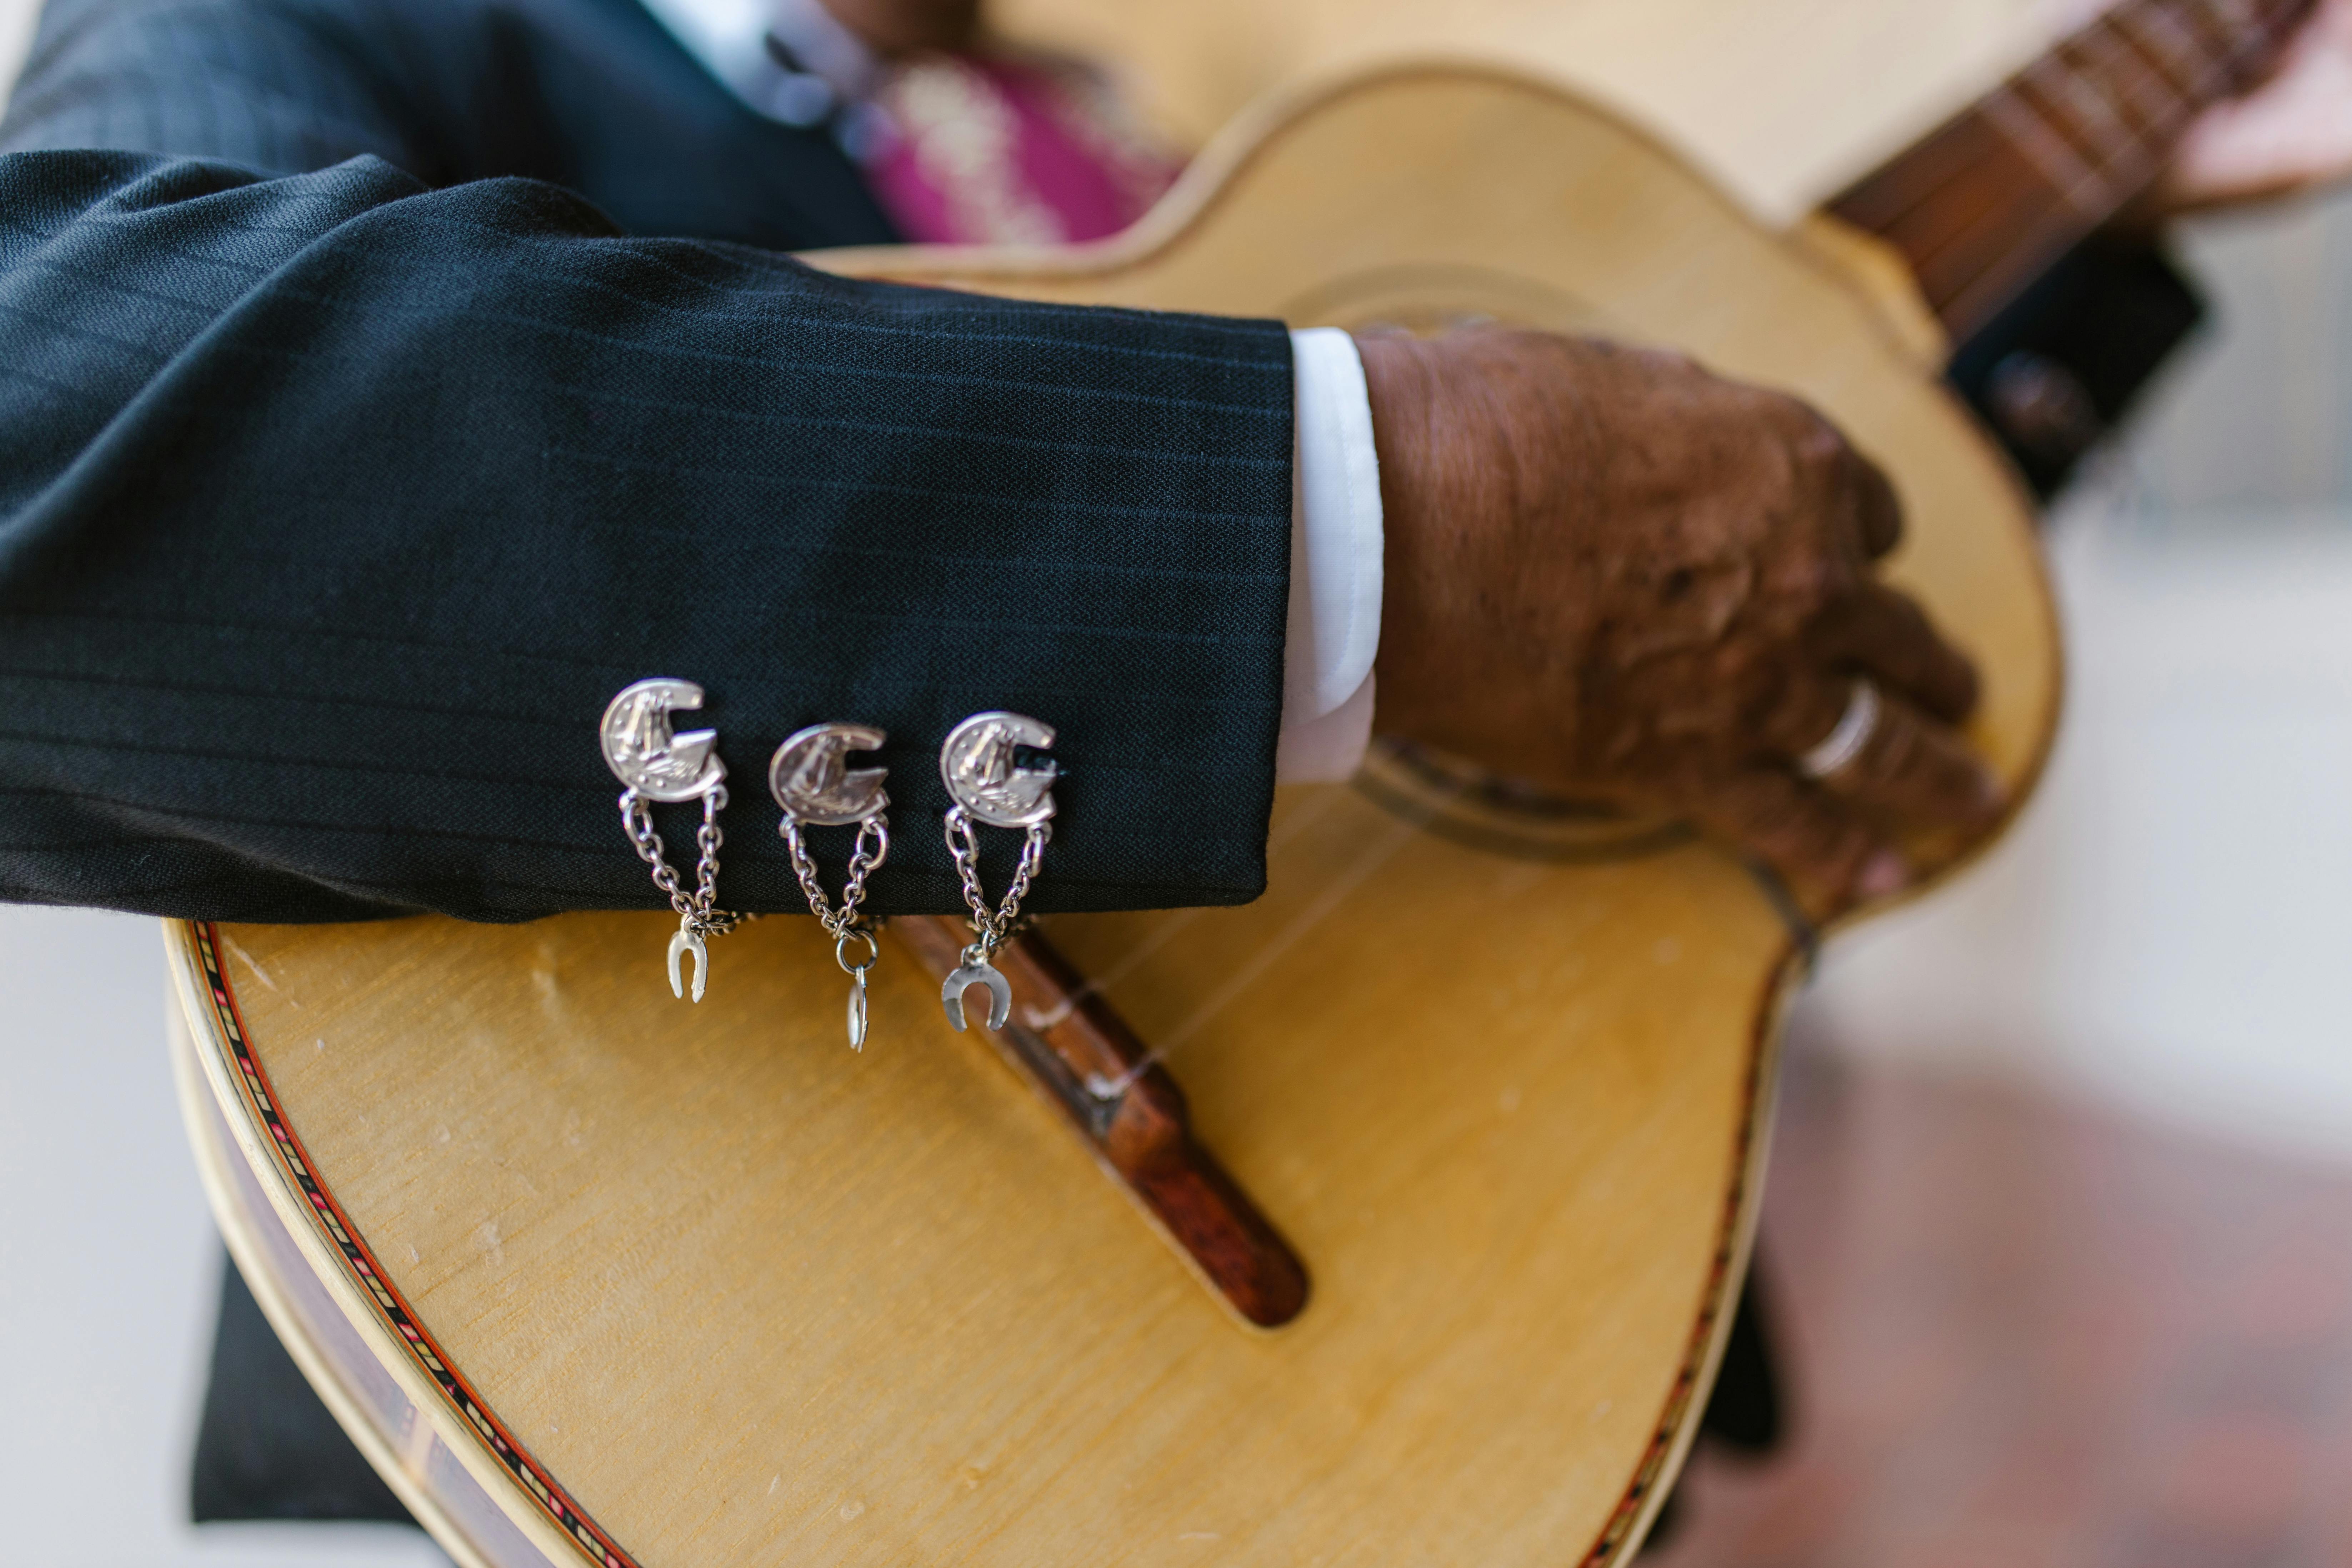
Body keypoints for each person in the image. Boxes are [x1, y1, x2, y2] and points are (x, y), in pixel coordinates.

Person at [0, 0, 2343, 1543]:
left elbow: (1667, 598)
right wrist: (1368, 525)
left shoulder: (1148, 147)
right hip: (615, 1429)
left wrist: (2107, 197)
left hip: (1395, 1395)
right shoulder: (343, 16)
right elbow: (54, 430)